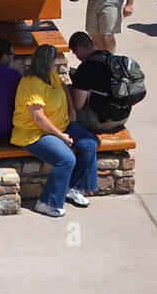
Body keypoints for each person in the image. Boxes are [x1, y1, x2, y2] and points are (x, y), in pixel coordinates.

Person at [11, 46, 98, 217]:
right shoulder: (31, 83)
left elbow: (64, 88)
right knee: (66, 159)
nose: (55, 64)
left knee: (89, 143)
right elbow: (39, 118)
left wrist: (71, 109)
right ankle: (47, 202)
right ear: (47, 62)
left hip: (61, 125)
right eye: (53, 61)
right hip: (35, 133)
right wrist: (61, 136)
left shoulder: (51, 75)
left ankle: (73, 188)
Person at [67, 31, 136, 133]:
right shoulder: (109, 58)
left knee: (62, 113)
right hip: (123, 117)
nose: (77, 57)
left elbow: (78, 104)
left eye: (75, 53)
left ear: (79, 49)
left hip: (103, 121)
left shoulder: (86, 68)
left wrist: (67, 91)